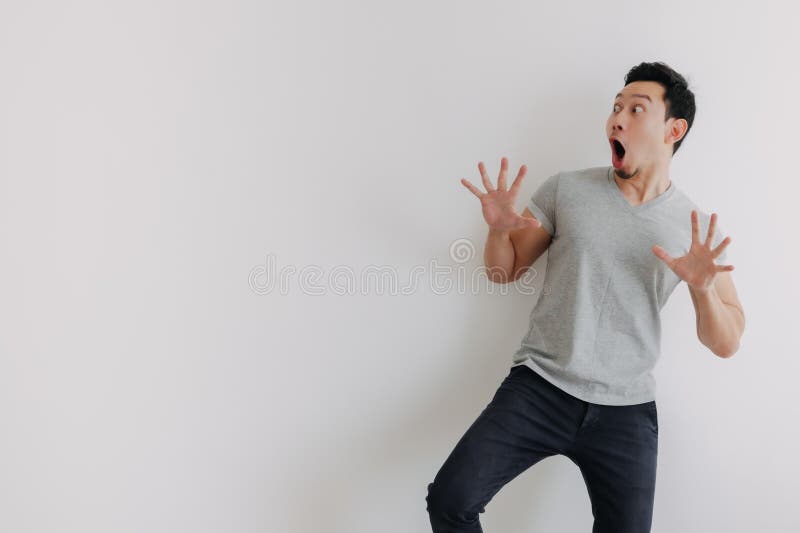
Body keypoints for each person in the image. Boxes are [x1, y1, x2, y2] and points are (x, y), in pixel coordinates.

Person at [425, 61, 746, 533]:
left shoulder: (694, 229)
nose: (618, 118)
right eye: (616, 108)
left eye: (637, 109)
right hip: (540, 387)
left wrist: (701, 290)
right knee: (451, 499)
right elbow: (503, 271)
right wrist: (496, 232)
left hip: (626, 411)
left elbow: (727, 341)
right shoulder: (567, 190)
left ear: (673, 129)